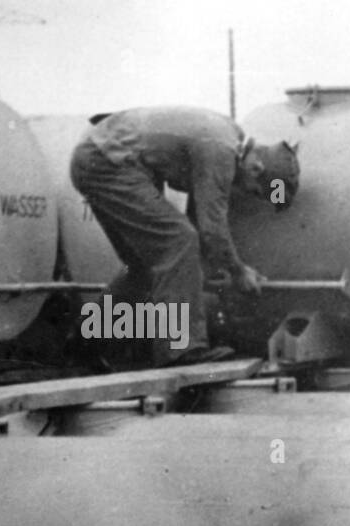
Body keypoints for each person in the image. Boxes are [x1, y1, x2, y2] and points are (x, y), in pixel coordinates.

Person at [70, 106, 299, 366]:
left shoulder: (229, 137)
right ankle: (181, 350)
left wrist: (213, 267)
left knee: (147, 265)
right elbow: (211, 229)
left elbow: (201, 222)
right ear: (256, 168)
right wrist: (238, 271)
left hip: (98, 155)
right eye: (256, 192)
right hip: (107, 161)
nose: (247, 195)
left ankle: (83, 344)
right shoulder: (221, 152)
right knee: (178, 241)